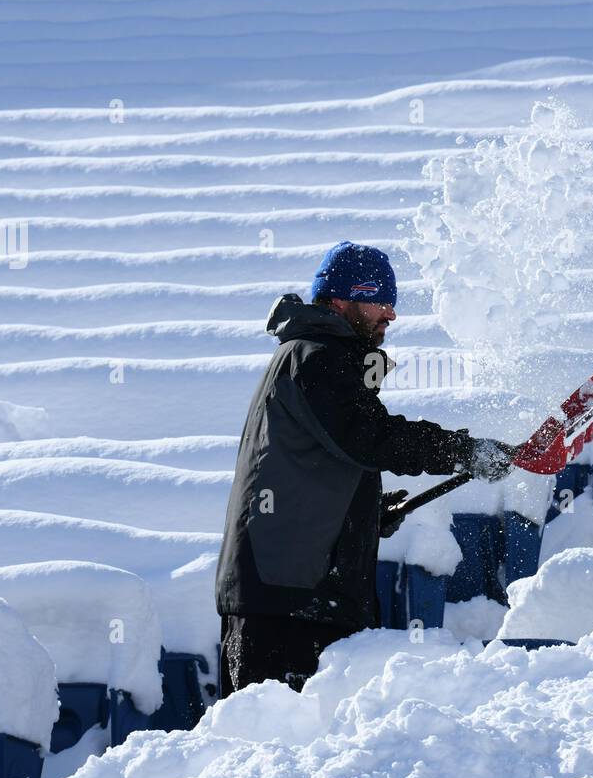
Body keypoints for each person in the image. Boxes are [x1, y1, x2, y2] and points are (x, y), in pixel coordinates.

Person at [214, 240, 515, 694]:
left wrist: (363, 515)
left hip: (293, 590)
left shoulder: (315, 355)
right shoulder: (316, 356)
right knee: (276, 743)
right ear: (340, 299)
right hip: (287, 599)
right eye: (380, 302)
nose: (390, 316)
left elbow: (323, 458)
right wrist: (462, 450)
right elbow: (372, 438)